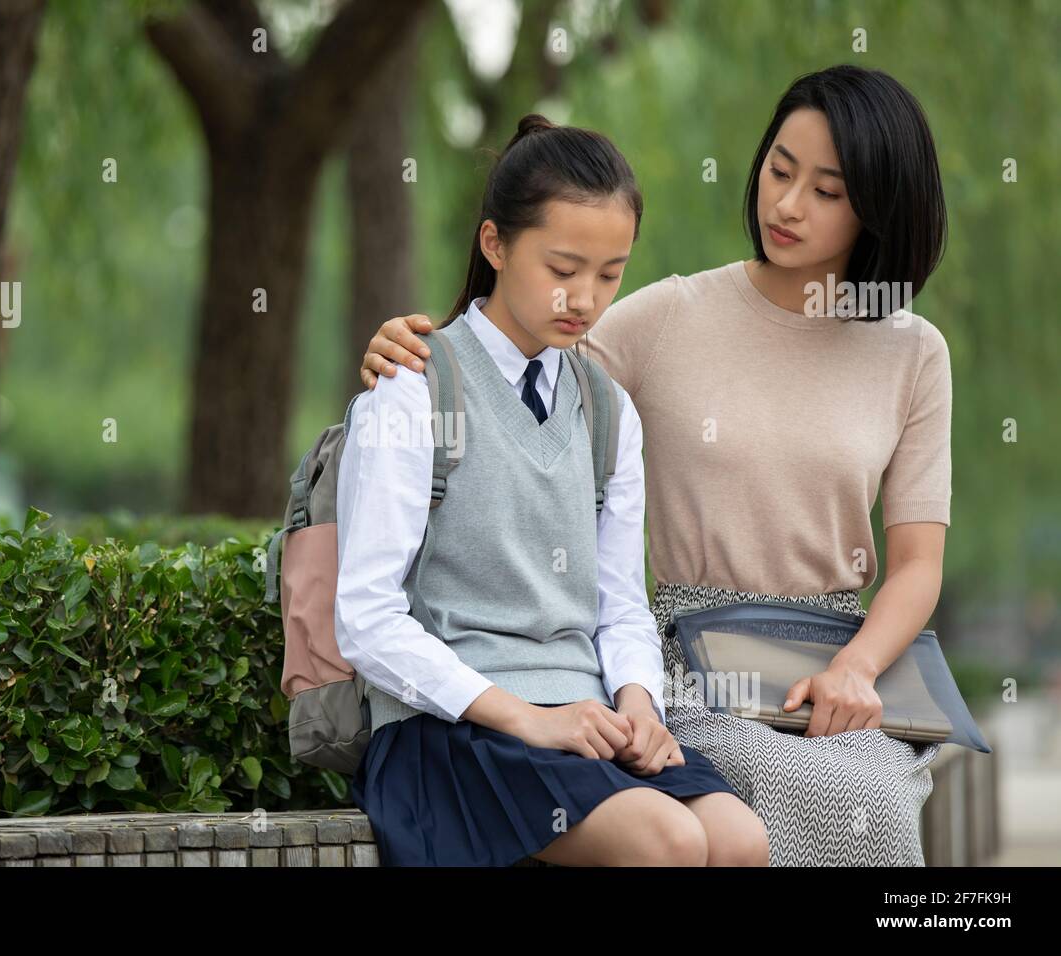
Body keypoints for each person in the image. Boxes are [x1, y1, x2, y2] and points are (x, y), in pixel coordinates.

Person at [356, 66, 952, 866]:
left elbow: (917, 564)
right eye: (780, 169)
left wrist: (857, 668)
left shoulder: (913, 354)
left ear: (881, 203)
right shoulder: (672, 314)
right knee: (777, 802)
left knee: (877, 801)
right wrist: (405, 350)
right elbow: (515, 349)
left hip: (832, 667)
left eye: (828, 190)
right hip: (695, 661)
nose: (787, 204)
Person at [336, 113, 767, 867]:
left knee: (738, 841)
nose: (586, 299)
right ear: (495, 244)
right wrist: (528, 720)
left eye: (610, 273)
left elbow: (620, 603)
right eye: (562, 268)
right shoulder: (413, 389)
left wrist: (637, 703)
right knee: (665, 842)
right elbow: (366, 618)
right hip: (451, 729)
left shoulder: (607, 411)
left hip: (584, 724)